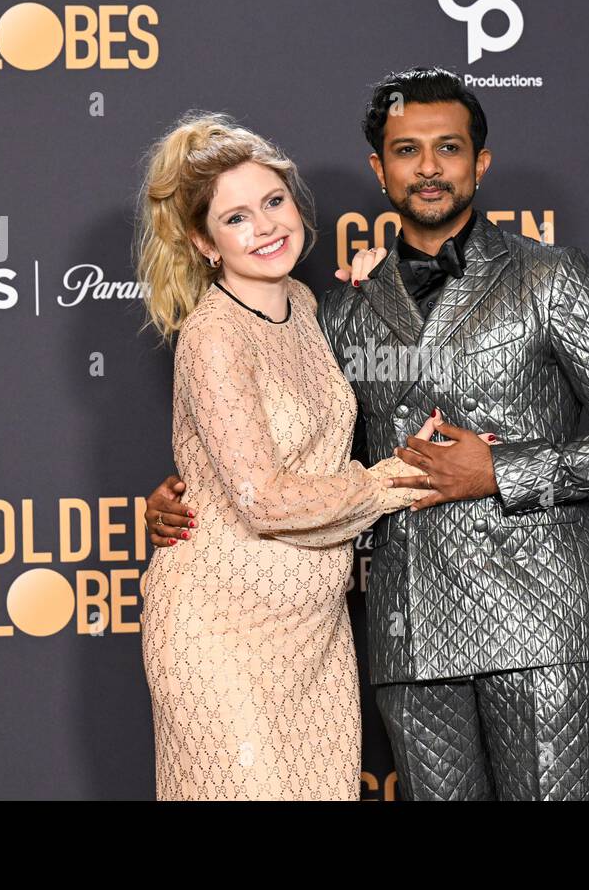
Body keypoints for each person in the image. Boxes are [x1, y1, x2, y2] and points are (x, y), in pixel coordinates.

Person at [146, 68, 589, 800]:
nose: (428, 168)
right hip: (409, 625)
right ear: (379, 168)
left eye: (448, 148)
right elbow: (291, 449)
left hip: (540, 618)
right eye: (406, 151)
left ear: (479, 163)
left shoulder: (552, 276)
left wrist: (501, 472)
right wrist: (192, 489)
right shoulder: (338, 308)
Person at [132, 109, 442, 800]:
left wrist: (381, 285)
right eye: (237, 217)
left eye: (273, 201)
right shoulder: (212, 336)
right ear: (204, 242)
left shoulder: (305, 303)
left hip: (312, 633)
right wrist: (396, 478)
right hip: (219, 633)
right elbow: (265, 500)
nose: (267, 226)